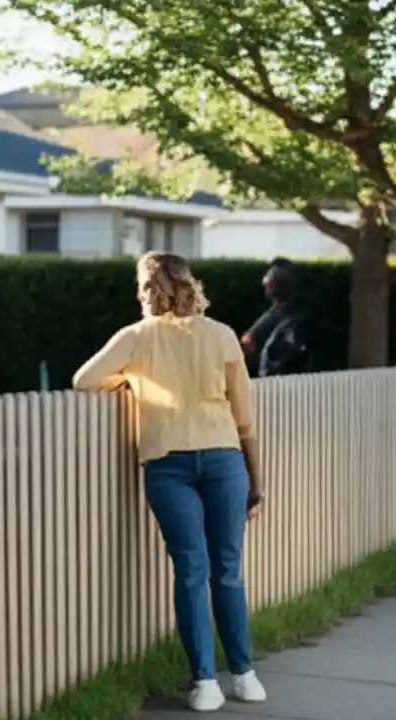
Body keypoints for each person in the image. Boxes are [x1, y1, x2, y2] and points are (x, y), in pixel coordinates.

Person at [74, 252, 266, 712]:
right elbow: (245, 421)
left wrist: (129, 381)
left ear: (149, 288)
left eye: (141, 284)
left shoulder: (136, 338)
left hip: (170, 464)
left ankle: (206, 682)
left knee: (194, 570)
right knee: (225, 570)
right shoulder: (220, 334)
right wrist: (257, 482)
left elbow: (84, 379)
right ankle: (243, 675)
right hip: (223, 460)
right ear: (188, 282)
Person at [241, 257, 309, 377]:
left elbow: (248, 343)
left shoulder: (285, 316)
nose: (265, 284)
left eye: (269, 281)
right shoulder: (288, 312)